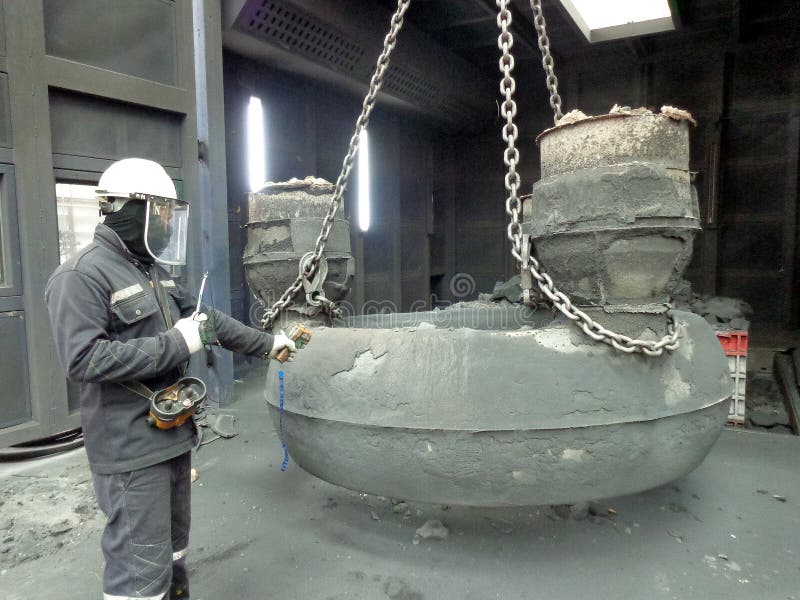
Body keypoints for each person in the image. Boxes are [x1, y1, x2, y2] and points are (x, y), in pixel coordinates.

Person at [45, 158, 296, 600]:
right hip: (130, 451)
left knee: (172, 554)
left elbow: (206, 321)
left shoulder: (148, 270)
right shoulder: (80, 277)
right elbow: (83, 360)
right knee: (139, 572)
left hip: (171, 437)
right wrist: (178, 345)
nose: (165, 225)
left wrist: (267, 342)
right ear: (127, 208)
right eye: (160, 213)